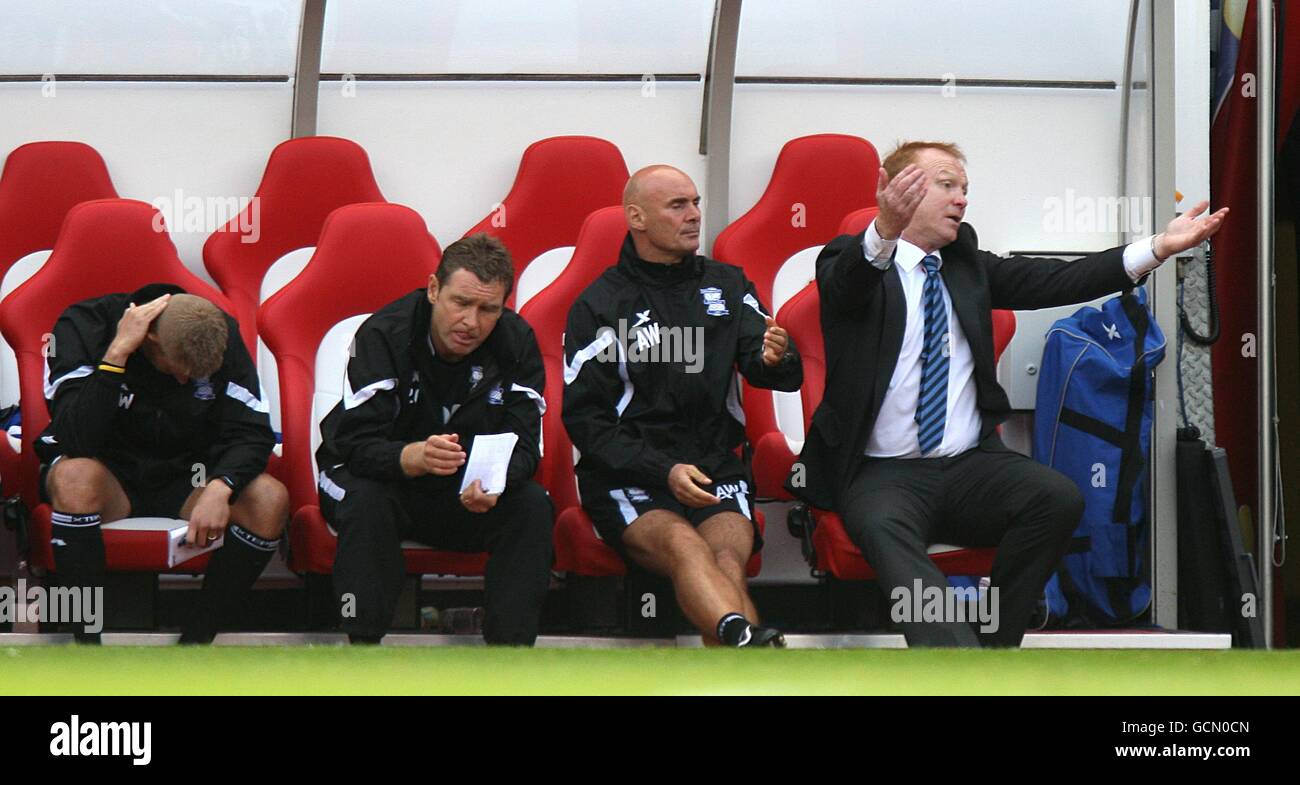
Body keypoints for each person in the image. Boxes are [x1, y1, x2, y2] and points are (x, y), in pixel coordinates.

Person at [787, 140, 1228, 647]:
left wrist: (1158, 248)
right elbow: (850, 285)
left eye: (965, 189)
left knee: (1057, 498)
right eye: (946, 185)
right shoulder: (849, 259)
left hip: (967, 466)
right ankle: (958, 668)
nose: (961, 199)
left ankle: (995, 644)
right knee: (886, 534)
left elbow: (1056, 279)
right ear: (892, 190)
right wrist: (884, 229)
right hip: (881, 471)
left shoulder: (964, 262)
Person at [563, 165, 803, 647]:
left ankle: (741, 653)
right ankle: (748, 645)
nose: (694, 215)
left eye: (695, 203)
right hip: (629, 478)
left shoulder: (728, 285)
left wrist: (778, 357)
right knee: (684, 546)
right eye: (678, 205)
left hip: (715, 469)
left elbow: (774, 369)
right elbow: (586, 422)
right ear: (637, 217)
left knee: (727, 559)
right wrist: (662, 469)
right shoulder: (600, 304)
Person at [316, 233, 553, 645]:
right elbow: (353, 446)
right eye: (460, 303)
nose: (471, 322)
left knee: (532, 505)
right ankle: (361, 647)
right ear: (433, 289)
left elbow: (527, 446)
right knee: (367, 501)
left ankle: (512, 658)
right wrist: (412, 457)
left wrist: (495, 482)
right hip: (386, 481)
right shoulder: (384, 334)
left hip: (465, 492)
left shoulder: (517, 342)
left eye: (488, 309)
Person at [38, 284, 289, 644]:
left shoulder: (220, 332)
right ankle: (86, 646)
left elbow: (253, 432)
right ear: (150, 340)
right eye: (178, 371)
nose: (185, 380)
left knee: (269, 499)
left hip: (188, 475)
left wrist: (222, 486)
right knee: (73, 477)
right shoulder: (83, 326)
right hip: (109, 474)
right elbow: (75, 439)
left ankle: (196, 644)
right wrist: (116, 355)